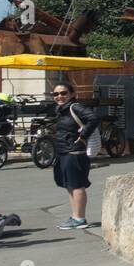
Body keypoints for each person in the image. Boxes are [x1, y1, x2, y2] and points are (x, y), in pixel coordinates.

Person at [51, 81, 99, 230]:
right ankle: (75, 216)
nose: (60, 96)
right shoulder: (61, 110)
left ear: (72, 94)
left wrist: (83, 136)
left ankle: (80, 218)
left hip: (75, 152)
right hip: (65, 151)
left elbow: (93, 118)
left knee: (77, 185)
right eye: (56, 94)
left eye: (64, 93)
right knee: (70, 185)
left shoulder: (75, 107)